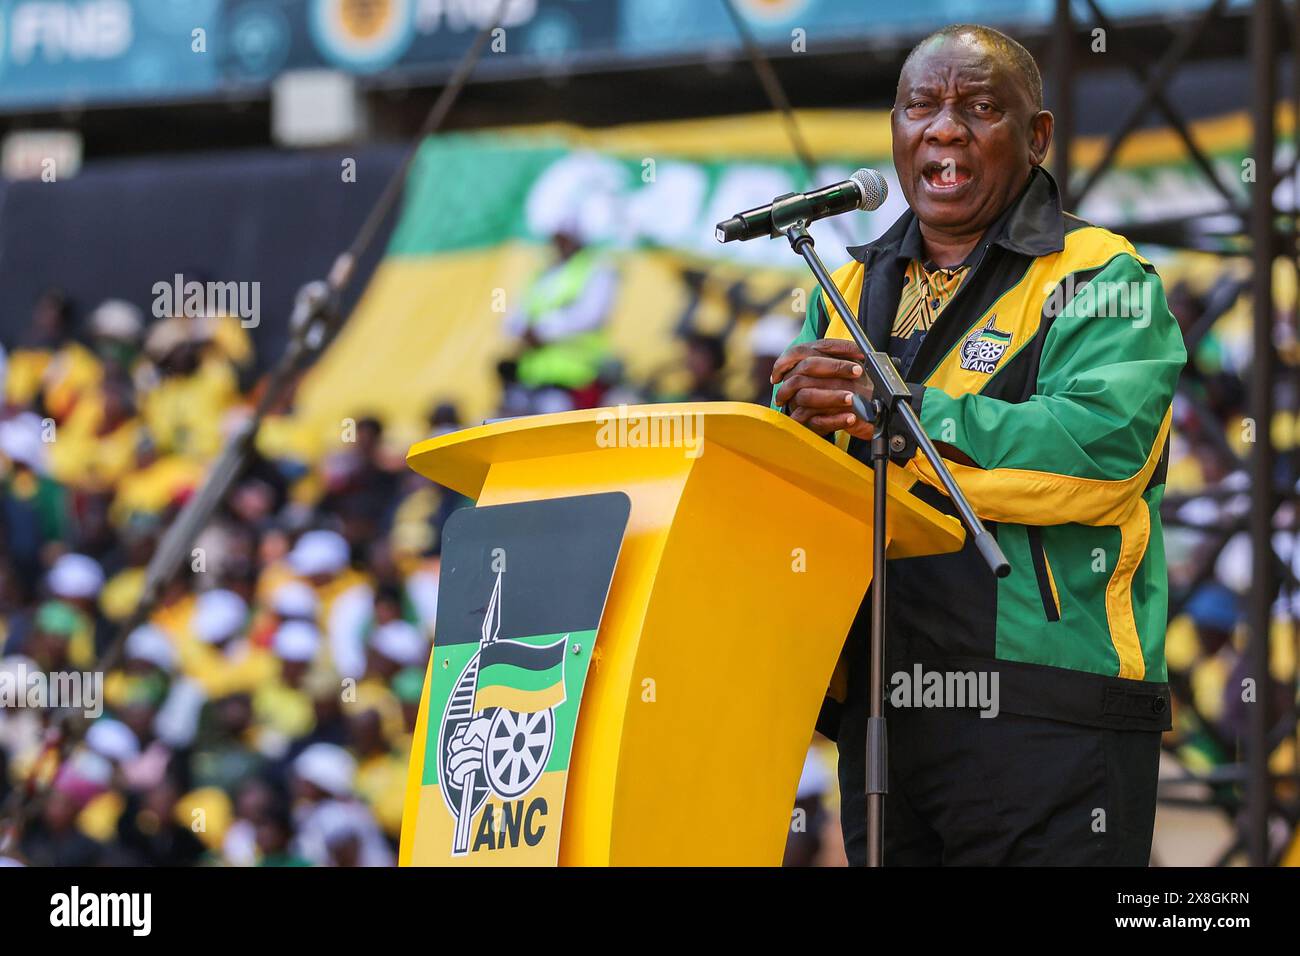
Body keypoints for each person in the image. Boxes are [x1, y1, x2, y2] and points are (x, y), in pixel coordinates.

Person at [770, 24, 1186, 865]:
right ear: (895, 131)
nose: (945, 128)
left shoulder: (1099, 274)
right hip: (886, 710)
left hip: (1048, 708)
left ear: (1037, 137)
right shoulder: (847, 284)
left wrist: (901, 419)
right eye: (920, 107)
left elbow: (1099, 452)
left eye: (980, 108)